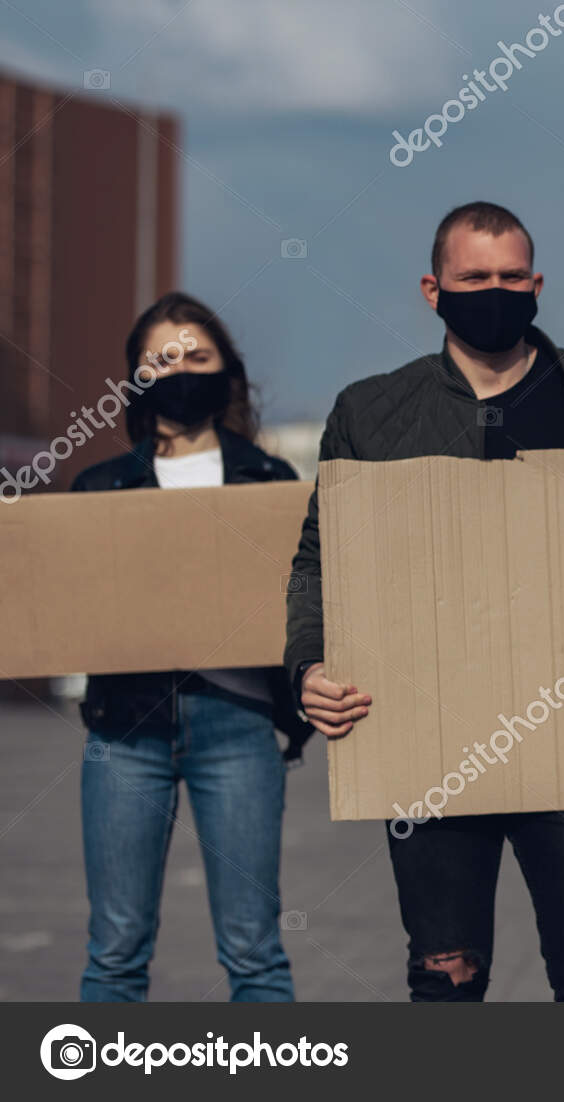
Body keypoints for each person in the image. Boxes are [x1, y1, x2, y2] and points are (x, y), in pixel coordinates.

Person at [285, 201, 564, 1001]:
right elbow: (320, 560)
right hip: (427, 742)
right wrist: (308, 667)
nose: (494, 292)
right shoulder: (369, 412)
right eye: (475, 278)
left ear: (537, 285)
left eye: (510, 278)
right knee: (445, 976)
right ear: (433, 290)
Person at [72, 292, 312, 1002]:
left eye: (197, 357)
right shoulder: (97, 490)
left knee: (254, 951)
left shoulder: (272, 484)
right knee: (114, 951)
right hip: (126, 728)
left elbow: (303, 609)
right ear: (137, 378)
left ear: (227, 372)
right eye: (163, 359)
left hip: (236, 726)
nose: (181, 370)